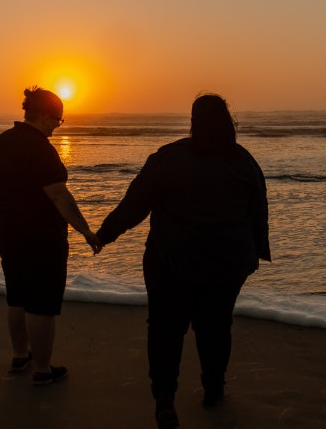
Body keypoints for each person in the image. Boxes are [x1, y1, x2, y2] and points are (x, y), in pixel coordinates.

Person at [95, 93, 270, 428]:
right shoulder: (244, 162)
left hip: (170, 261)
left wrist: (104, 235)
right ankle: (213, 389)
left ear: (193, 122)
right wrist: (256, 253)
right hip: (227, 263)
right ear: (229, 122)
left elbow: (134, 205)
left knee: (165, 330)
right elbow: (257, 212)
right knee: (216, 326)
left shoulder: (168, 158)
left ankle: (164, 401)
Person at [0, 86, 100, 386]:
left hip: (5, 231)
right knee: (42, 304)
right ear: (43, 115)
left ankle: (19, 354)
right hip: (39, 237)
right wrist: (86, 230)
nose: (57, 126)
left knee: (17, 297)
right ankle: (43, 369)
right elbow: (59, 197)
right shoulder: (39, 148)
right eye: (57, 120)